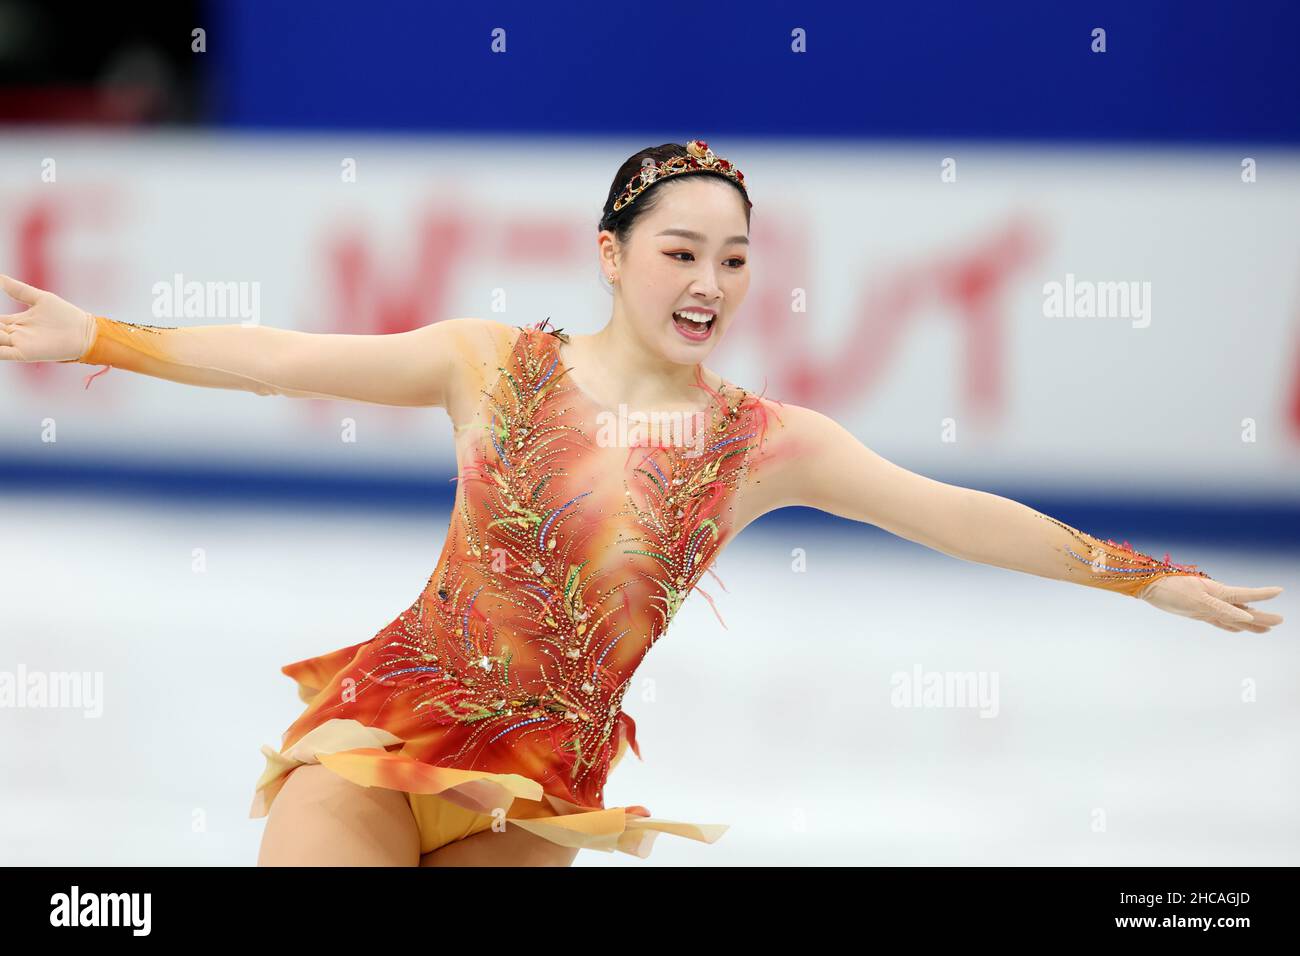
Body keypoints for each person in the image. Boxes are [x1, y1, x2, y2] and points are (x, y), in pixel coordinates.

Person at [0, 140, 1283, 868]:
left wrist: (1141, 572)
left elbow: (954, 511)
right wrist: (97, 334)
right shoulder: (488, 360)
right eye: (680, 250)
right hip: (378, 735)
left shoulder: (761, 444)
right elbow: (280, 357)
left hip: (543, 790)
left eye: (733, 256)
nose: (709, 279)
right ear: (611, 255)